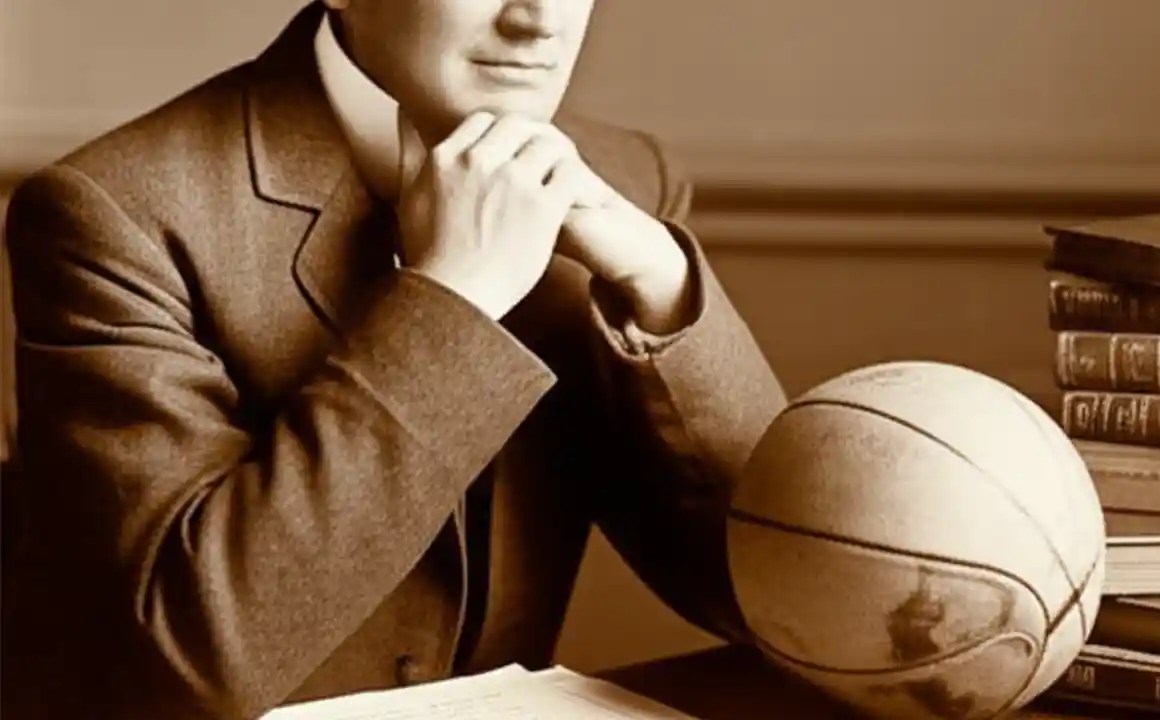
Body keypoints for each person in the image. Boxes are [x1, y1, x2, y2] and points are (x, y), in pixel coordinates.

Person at [0, 1, 787, 718]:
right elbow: (192, 664)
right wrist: (458, 295)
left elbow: (776, 592)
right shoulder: (114, 213)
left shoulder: (631, 178)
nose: (541, 20)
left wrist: (665, 287)